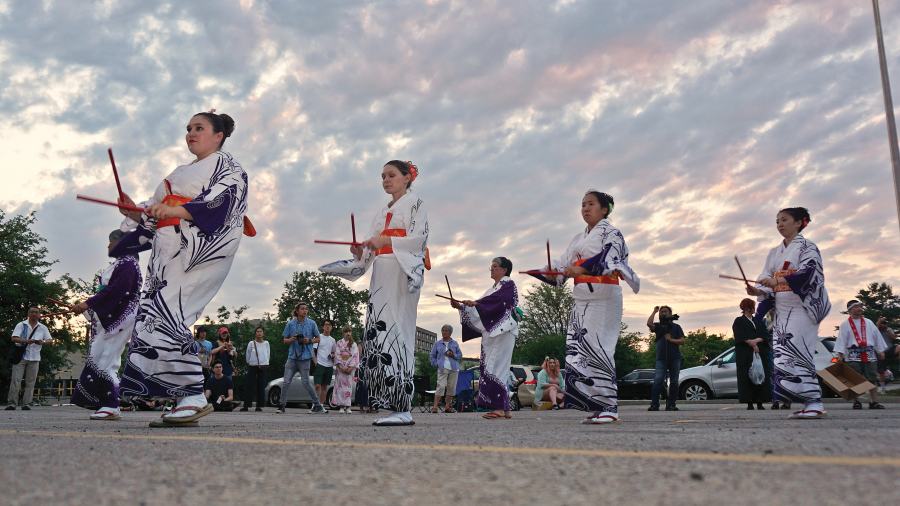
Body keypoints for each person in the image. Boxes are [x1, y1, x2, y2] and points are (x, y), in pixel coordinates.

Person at [112, 110, 249, 427]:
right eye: (188, 128)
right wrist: (133, 210)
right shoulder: (179, 172)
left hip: (195, 247)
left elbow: (224, 201)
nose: (191, 133)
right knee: (152, 320)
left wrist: (177, 209)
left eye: (199, 128)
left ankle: (193, 397)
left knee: (171, 316)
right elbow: (152, 216)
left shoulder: (227, 166)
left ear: (218, 136)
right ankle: (182, 400)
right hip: (165, 251)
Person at [320, 160, 429, 427]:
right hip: (381, 270)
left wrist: (386, 241)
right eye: (382, 176)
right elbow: (369, 246)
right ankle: (390, 404)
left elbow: (419, 239)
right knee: (379, 331)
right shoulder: (381, 212)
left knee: (397, 331)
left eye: (391, 175)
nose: (385, 180)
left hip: (401, 269)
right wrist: (360, 251)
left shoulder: (416, 204)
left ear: (407, 177)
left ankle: (402, 405)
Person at [528, 190, 640, 424]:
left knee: (599, 349)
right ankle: (596, 406)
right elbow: (562, 265)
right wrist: (549, 271)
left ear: (604, 209)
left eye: (591, 204)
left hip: (603, 297)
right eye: (582, 205)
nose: (585, 208)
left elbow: (611, 258)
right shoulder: (578, 239)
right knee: (580, 352)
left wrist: (582, 268)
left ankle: (609, 406)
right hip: (581, 301)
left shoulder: (612, 233)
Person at [746, 207, 831, 420]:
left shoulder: (808, 247)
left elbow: (810, 273)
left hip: (801, 306)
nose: (780, 224)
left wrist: (778, 281)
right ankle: (805, 403)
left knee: (800, 352)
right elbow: (766, 278)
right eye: (777, 221)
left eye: (784, 220)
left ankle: (815, 402)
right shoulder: (774, 252)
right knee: (784, 356)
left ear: (799, 223)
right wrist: (757, 290)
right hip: (782, 310)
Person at [69, 229, 142, 420]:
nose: (108, 246)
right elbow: (110, 291)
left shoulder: (128, 263)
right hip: (113, 316)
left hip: (119, 317)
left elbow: (117, 291)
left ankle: (110, 404)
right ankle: (106, 402)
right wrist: (87, 307)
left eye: (110, 241)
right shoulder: (122, 263)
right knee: (100, 356)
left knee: (107, 358)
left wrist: (88, 303)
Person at [453, 257, 519, 420]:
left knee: (496, 367)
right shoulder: (492, 289)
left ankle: (499, 408)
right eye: (491, 266)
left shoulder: (507, 284)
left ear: (504, 270)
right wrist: (462, 306)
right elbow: (481, 307)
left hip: (502, 330)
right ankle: (505, 409)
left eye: (495, 266)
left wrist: (476, 303)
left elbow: (493, 302)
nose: (491, 269)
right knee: (495, 368)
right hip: (493, 333)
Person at [835, 300, 886, 409]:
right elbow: (841, 340)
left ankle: (873, 401)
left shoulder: (868, 322)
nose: (859, 309)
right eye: (856, 307)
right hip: (853, 354)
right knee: (854, 379)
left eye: (860, 306)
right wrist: (840, 355)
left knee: (872, 378)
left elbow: (876, 337)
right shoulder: (845, 324)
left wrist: (880, 351)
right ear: (850, 310)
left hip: (869, 353)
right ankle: (857, 401)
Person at [277, 302, 326, 414]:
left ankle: (317, 405)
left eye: (306, 309)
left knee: (306, 382)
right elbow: (285, 340)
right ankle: (281, 405)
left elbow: (318, 338)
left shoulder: (312, 323)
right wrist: (291, 339)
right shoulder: (290, 324)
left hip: (305, 357)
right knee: (286, 382)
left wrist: (308, 340)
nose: (304, 311)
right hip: (292, 357)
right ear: (297, 311)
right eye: (302, 309)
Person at [6, 307, 54, 410]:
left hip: (35, 357)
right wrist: (26, 341)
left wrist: (43, 342)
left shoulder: (42, 327)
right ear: (28, 314)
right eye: (32, 312)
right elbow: (14, 338)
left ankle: (26, 404)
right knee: (16, 380)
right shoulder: (21, 325)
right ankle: (12, 403)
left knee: (30, 382)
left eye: (36, 313)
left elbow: (50, 340)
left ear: (39, 315)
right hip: (21, 357)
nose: (34, 314)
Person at [733, 298, 772, 410]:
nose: (754, 309)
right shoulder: (739, 321)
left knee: (760, 376)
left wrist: (756, 341)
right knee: (746, 377)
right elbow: (739, 335)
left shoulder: (759, 321)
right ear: (745, 308)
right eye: (751, 307)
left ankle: (760, 401)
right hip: (745, 354)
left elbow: (763, 335)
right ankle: (749, 401)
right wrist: (751, 343)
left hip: (759, 352)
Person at [646, 305, 685, 411]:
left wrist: (671, 340)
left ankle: (671, 404)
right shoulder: (658, 326)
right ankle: (654, 404)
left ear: (670, 313)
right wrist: (654, 312)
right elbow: (649, 324)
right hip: (661, 358)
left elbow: (682, 341)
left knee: (674, 382)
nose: (663, 313)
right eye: (661, 312)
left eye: (666, 311)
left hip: (675, 357)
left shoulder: (676, 327)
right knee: (658, 380)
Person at [429, 324, 462, 413]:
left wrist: (453, 355)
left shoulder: (455, 343)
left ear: (450, 332)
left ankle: (447, 406)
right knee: (441, 386)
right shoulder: (437, 343)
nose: (443, 332)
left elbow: (460, 355)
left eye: (446, 331)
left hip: (454, 368)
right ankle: (435, 406)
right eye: (442, 331)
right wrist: (436, 364)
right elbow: (432, 355)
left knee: (451, 387)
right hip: (442, 367)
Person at [241, 327, 269, 412]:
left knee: (261, 385)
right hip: (253, 365)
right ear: (255, 333)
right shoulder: (251, 343)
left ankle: (259, 405)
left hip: (262, 366)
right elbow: (248, 354)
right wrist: (249, 362)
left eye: (261, 331)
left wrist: (266, 362)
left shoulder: (266, 343)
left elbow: (268, 354)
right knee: (249, 385)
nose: (259, 333)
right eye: (258, 331)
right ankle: (246, 405)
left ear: (263, 333)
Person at [333, 325, 359, 414]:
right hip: (341, 367)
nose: (348, 333)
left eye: (349, 331)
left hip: (350, 366)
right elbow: (337, 354)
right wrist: (341, 366)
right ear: (343, 333)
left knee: (348, 387)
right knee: (340, 387)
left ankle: (348, 406)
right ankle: (341, 407)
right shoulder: (339, 342)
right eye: (346, 332)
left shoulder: (354, 344)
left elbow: (355, 356)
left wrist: (351, 367)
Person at [313, 320, 337, 406]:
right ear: (323, 327)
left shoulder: (332, 340)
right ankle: (315, 404)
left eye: (329, 325)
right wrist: (315, 362)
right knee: (317, 386)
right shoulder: (318, 337)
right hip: (320, 364)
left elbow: (334, 352)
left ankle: (321, 405)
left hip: (329, 365)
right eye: (326, 325)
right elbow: (313, 350)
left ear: (331, 327)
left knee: (324, 386)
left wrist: (332, 355)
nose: (327, 326)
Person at [876, 317, 899, 393]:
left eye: (883, 321)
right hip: (880, 351)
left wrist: (886, 329)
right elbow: (872, 336)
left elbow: (893, 338)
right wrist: (878, 327)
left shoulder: (889, 329)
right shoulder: (875, 329)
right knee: (881, 371)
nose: (882, 323)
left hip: (889, 349)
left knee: (899, 347)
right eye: (880, 321)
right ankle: (883, 389)